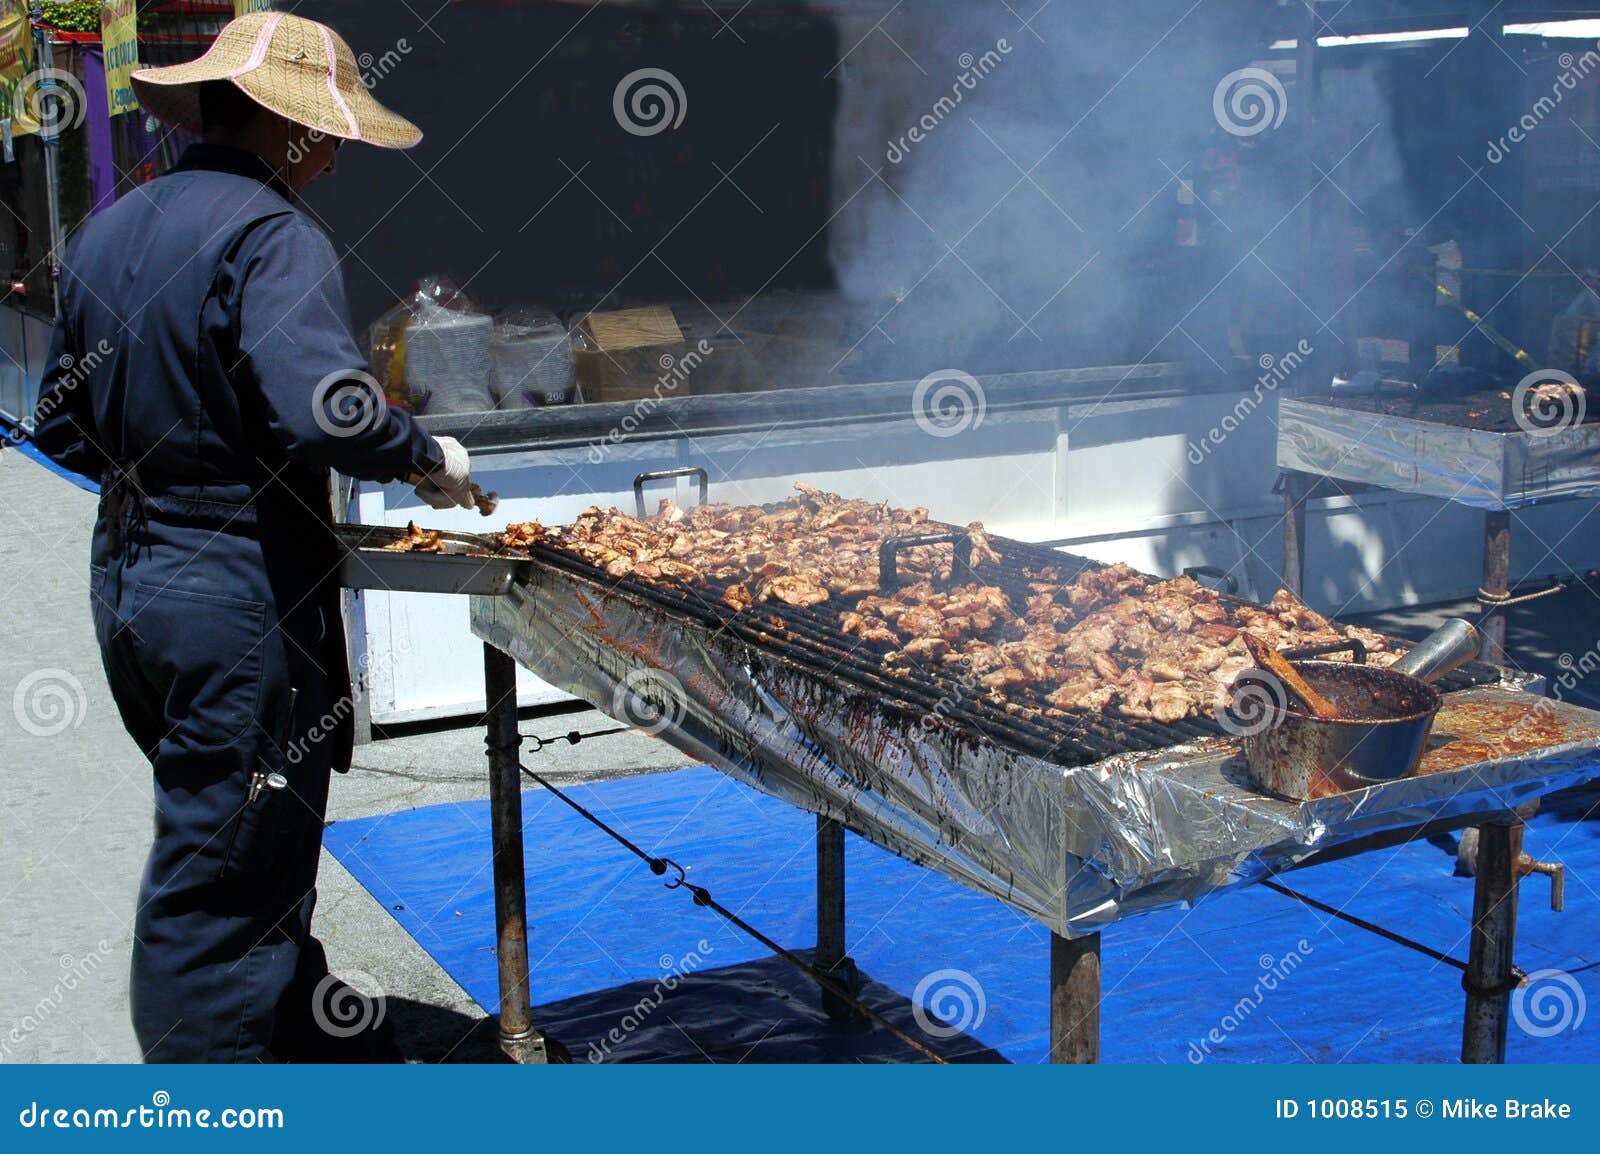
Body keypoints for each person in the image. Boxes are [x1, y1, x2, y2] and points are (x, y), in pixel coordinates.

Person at [32, 12, 476, 1062]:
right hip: (235, 595)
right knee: (218, 876)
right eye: (326, 134)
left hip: (134, 578)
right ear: (288, 128)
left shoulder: (108, 228)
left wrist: (172, 474)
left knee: (240, 827)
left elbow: (58, 421)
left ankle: (297, 1017)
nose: (330, 155)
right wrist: (422, 452)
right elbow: (329, 412)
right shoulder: (273, 236)